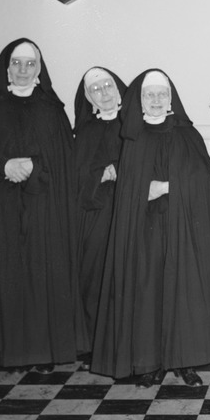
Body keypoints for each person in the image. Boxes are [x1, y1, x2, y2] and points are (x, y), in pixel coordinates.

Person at [92, 69, 210, 388]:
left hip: (183, 230)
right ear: (139, 101)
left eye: (161, 94)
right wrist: (142, 192)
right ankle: (150, 362)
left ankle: (186, 361)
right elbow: (126, 188)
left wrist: (168, 187)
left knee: (184, 293)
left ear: (171, 99)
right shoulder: (133, 138)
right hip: (144, 230)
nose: (155, 100)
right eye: (148, 95)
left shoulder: (186, 134)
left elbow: (204, 179)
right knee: (148, 293)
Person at [0, 38, 83, 373]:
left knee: (42, 276)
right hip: (1, 208)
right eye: (16, 64)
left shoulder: (52, 111)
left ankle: (43, 353)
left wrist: (35, 166)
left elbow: (64, 162)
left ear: (39, 70)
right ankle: (9, 352)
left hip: (43, 208)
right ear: (6, 68)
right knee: (6, 277)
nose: (23, 70)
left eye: (29, 64)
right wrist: (2, 167)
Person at [73, 67, 126, 366]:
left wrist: (121, 170)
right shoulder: (85, 132)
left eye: (108, 86)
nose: (104, 93)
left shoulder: (133, 126)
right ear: (89, 99)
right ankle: (96, 345)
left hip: (128, 214)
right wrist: (100, 173)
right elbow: (76, 176)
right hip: (95, 217)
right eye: (96, 89)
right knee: (95, 278)